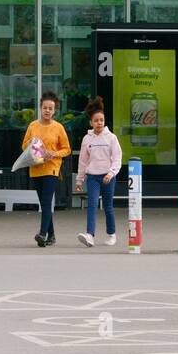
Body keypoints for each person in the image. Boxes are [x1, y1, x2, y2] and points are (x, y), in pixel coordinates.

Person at [22, 91, 71, 247]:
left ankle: (42, 234)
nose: (47, 111)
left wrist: (54, 153)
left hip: (52, 168)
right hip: (36, 167)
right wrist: (31, 144)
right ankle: (52, 235)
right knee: (43, 202)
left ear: (55, 110)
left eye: (51, 108)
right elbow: (24, 146)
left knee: (46, 201)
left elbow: (67, 149)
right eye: (45, 107)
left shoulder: (58, 128)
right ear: (40, 108)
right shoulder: (32, 126)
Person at [74, 97, 122, 247]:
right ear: (91, 123)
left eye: (101, 120)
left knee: (108, 206)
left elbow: (117, 158)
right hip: (93, 177)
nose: (99, 123)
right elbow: (82, 161)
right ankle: (90, 235)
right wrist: (79, 180)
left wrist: (111, 173)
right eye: (96, 120)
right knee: (92, 205)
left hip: (108, 177)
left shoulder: (112, 138)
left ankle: (111, 234)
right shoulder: (87, 139)